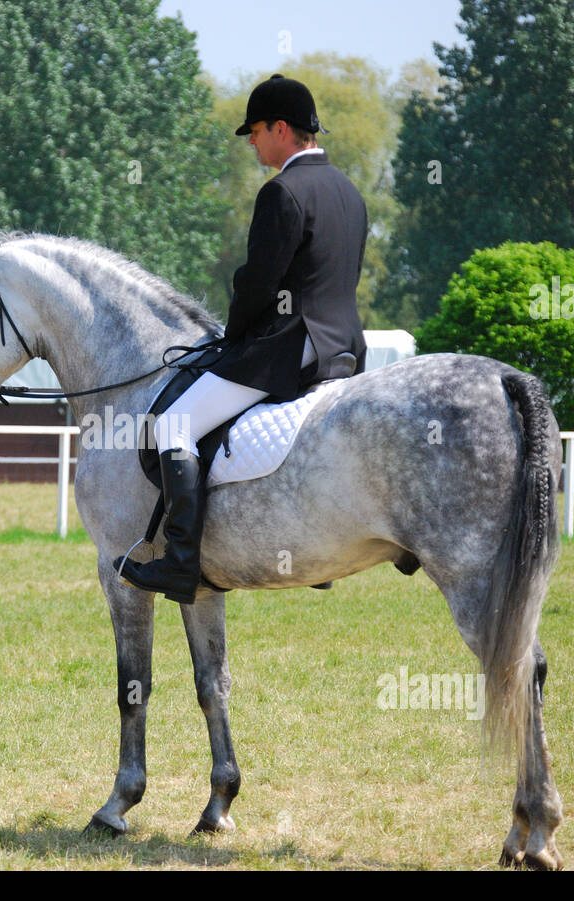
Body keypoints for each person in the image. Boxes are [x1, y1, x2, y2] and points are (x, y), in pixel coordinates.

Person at [115, 73, 369, 603]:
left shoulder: (283, 191)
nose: (251, 141)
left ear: (281, 128)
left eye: (254, 131)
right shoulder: (348, 191)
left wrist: (232, 338)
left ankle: (179, 564)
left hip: (291, 346)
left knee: (173, 424)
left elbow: (259, 284)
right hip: (344, 347)